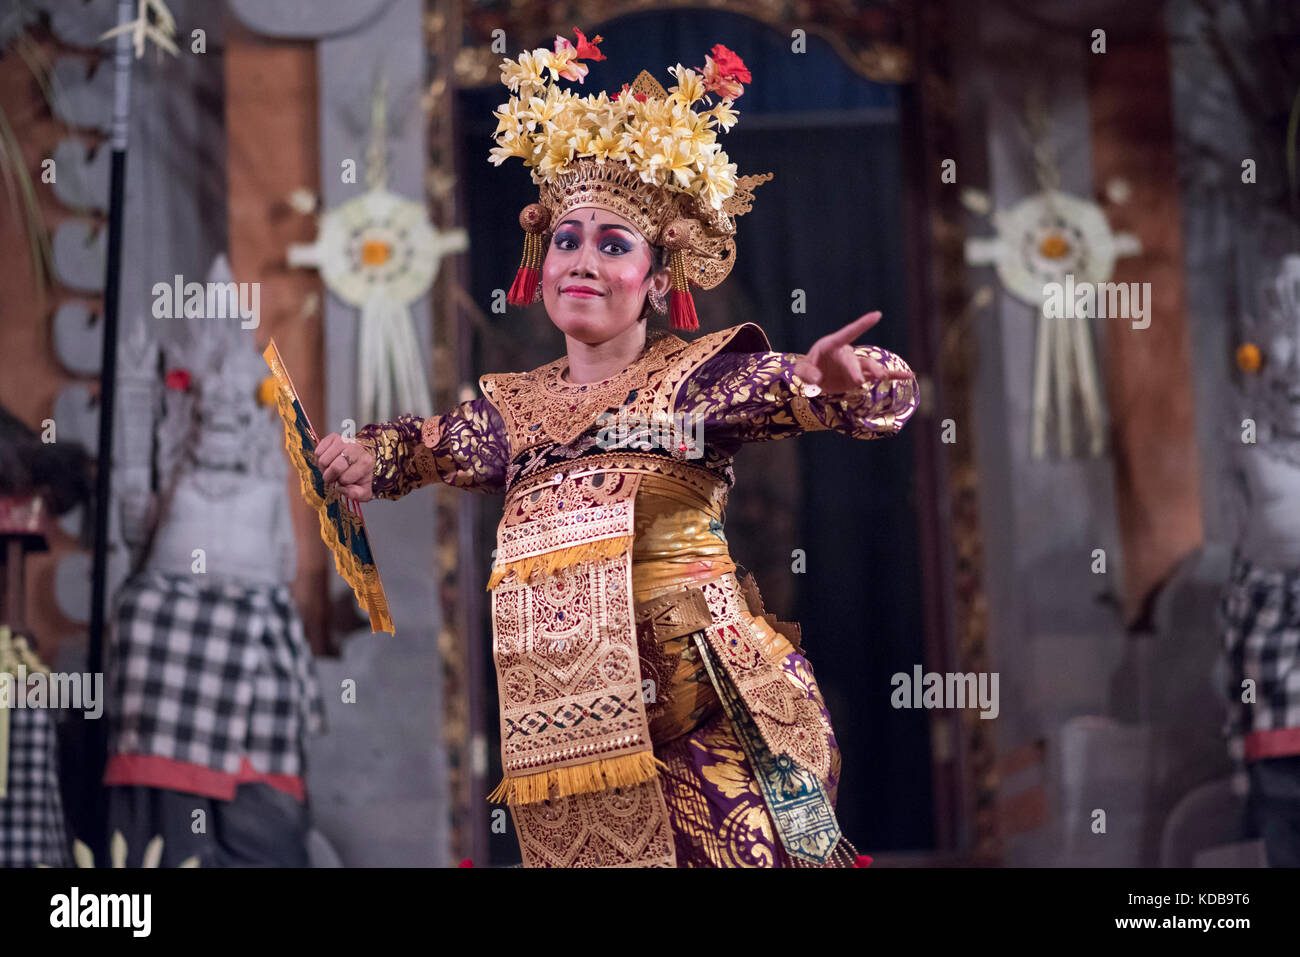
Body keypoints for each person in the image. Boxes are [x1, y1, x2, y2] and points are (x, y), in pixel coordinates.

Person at [316, 33, 918, 867]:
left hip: (718, 720)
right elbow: (420, 447)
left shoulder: (697, 380)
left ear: (659, 278)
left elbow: (838, 391)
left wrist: (847, 384)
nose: (582, 264)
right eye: (567, 240)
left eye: (613, 244)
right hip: (581, 744)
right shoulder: (514, 412)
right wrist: (361, 460)